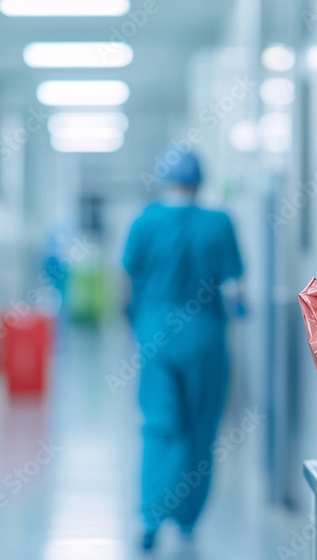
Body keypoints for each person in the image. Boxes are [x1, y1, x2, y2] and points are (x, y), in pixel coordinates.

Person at [122, 148, 244, 551]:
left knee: (160, 424)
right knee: (200, 425)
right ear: (200, 180)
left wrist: (136, 323)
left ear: (164, 179)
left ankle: (151, 518)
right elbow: (234, 289)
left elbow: (128, 283)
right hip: (204, 336)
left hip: (156, 334)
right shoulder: (218, 223)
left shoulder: (145, 221)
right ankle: (188, 518)